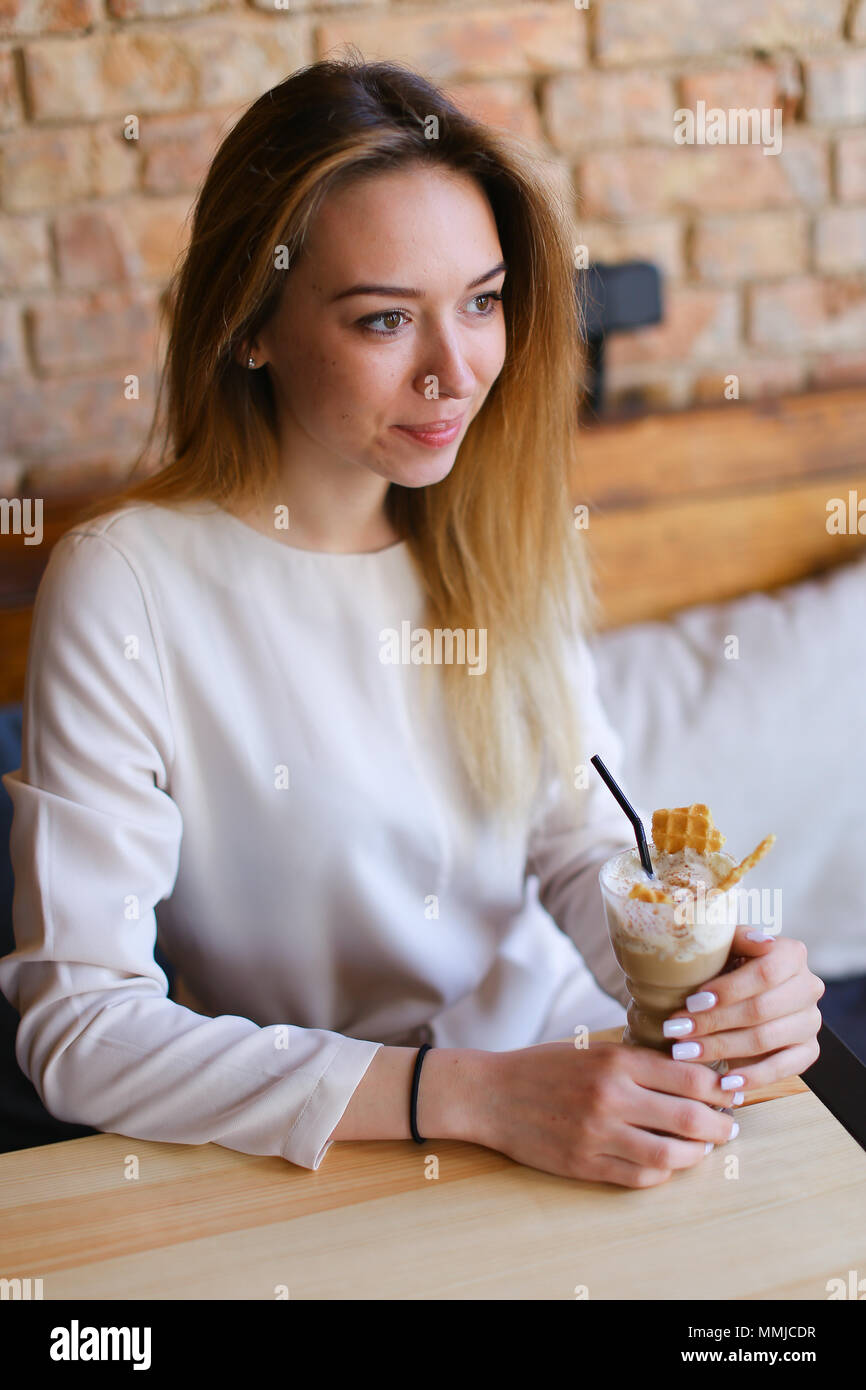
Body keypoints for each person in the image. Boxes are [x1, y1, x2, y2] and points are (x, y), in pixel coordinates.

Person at [0, 57, 823, 1189]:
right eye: (385, 319)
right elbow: (80, 1028)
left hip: (575, 1072)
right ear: (251, 327)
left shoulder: (501, 525)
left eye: (481, 302)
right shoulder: (127, 585)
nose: (456, 374)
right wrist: (473, 1097)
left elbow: (573, 839)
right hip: (346, 1142)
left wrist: (705, 983)